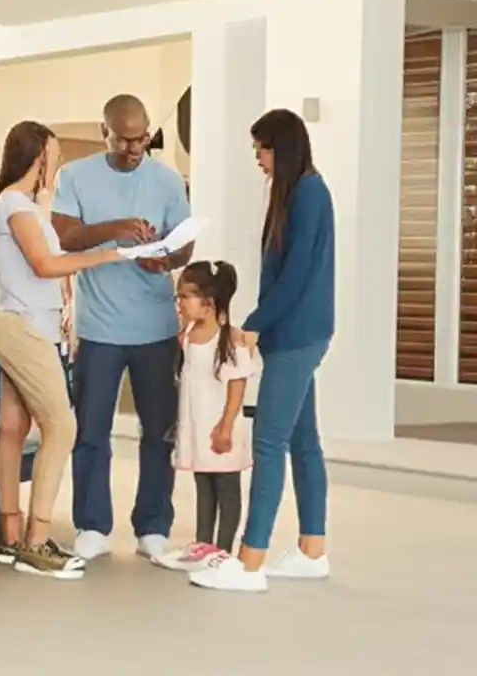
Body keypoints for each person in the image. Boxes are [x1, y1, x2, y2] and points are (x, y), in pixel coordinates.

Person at [191, 108, 335, 593]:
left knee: (269, 442)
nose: (257, 156)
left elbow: (298, 273)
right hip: (293, 333)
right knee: (303, 441)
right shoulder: (294, 192)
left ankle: (249, 561)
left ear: (284, 148)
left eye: (264, 148)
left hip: (297, 335)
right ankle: (312, 551)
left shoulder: (309, 193)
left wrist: (255, 324)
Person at [50, 94, 194, 561]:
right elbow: (64, 236)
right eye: (124, 139)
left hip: (155, 327)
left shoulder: (167, 180)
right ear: (104, 132)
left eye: (142, 138)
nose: (134, 147)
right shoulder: (75, 176)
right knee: (91, 432)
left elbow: (184, 246)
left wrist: (166, 259)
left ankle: (153, 526)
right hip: (99, 329)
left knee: (159, 432)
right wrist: (117, 227)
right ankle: (92, 526)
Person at [0, 120, 124, 578]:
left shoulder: (25, 205)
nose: (59, 163)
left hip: (27, 324)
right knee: (62, 426)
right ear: (38, 156)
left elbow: (46, 263)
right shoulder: (13, 203)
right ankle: (36, 542)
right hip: (23, 327)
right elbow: (45, 264)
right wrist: (106, 255)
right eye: (55, 156)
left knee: (12, 428)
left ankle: (12, 536)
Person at [154, 261, 261, 572]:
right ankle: (204, 542)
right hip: (196, 426)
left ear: (209, 303)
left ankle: (223, 550)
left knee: (226, 487)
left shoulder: (229, 341)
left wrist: (225, 425)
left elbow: (237, 386)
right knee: (203, 484)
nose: (179, 302)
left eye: (186, 296)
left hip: (218, 428)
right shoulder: (188, 334)